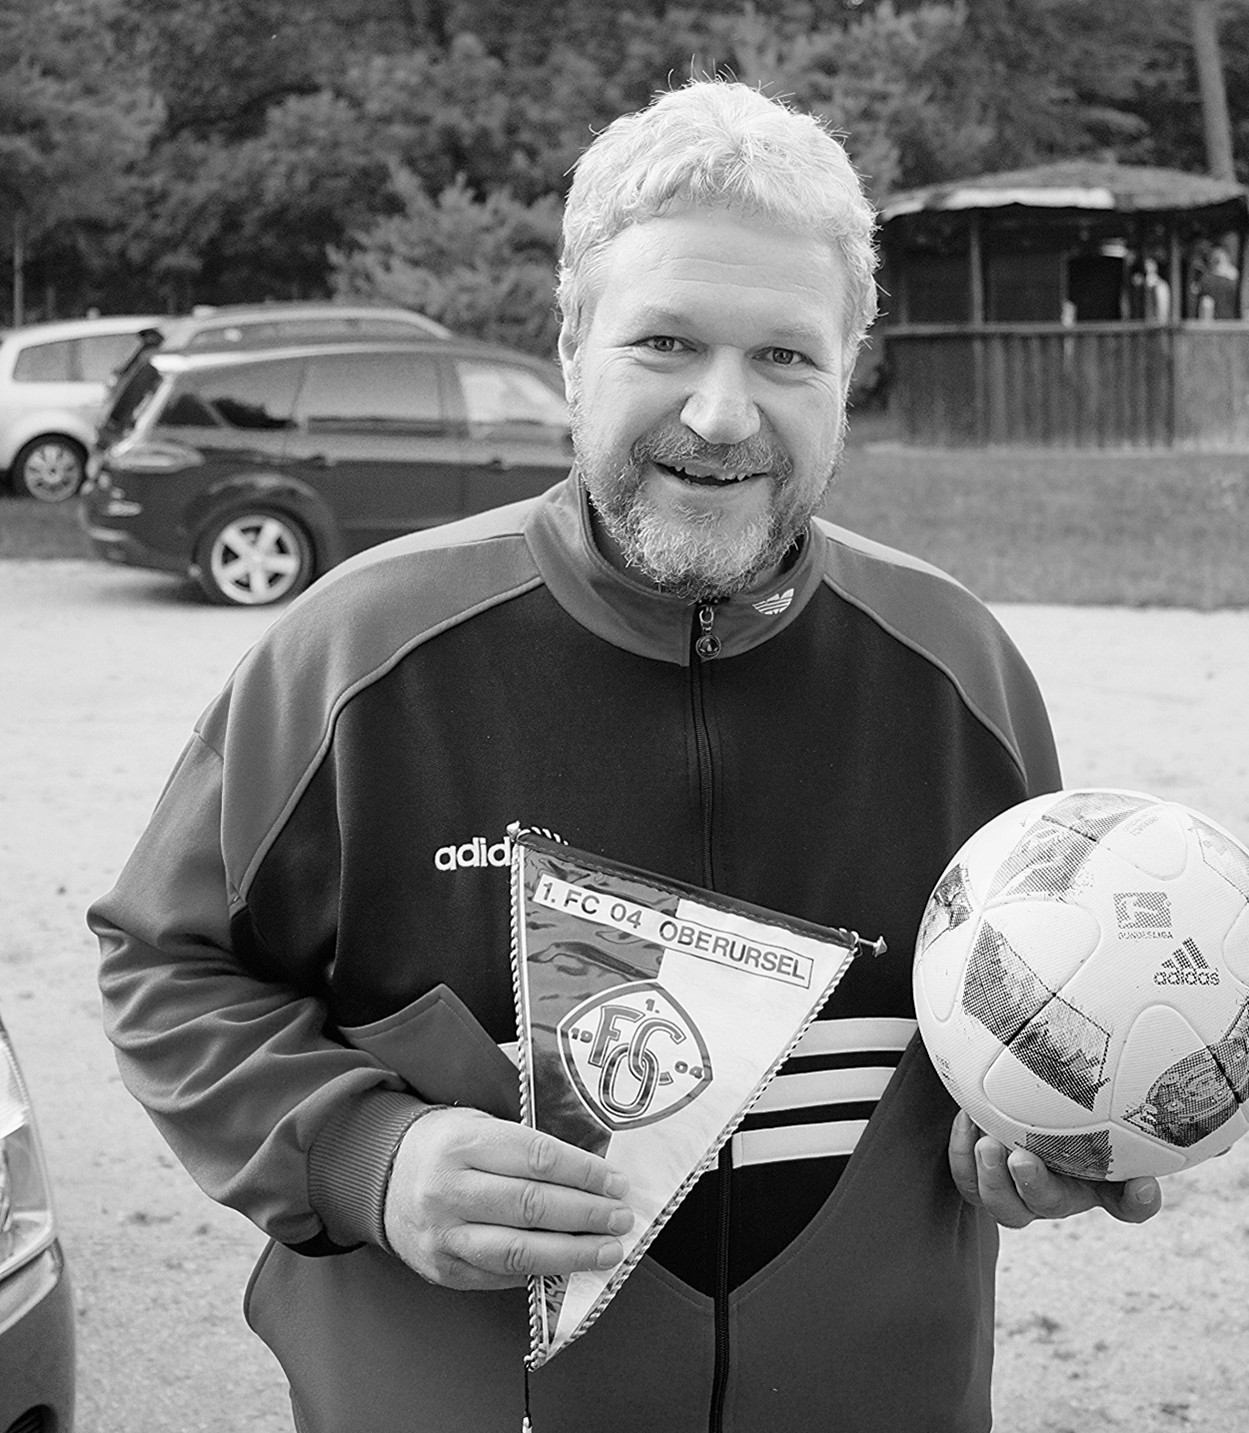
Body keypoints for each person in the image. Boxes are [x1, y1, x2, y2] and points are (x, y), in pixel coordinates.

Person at [90, 80, 1160, 1433]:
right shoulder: (358, 652)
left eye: (784, 358)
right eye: (665, 342)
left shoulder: (959, 669)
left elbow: (1028, 1021)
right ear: (568, 346)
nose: (722, 416)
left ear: (848, 374)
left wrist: (1046, 1136)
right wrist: (367, 1149)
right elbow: (165, 961)